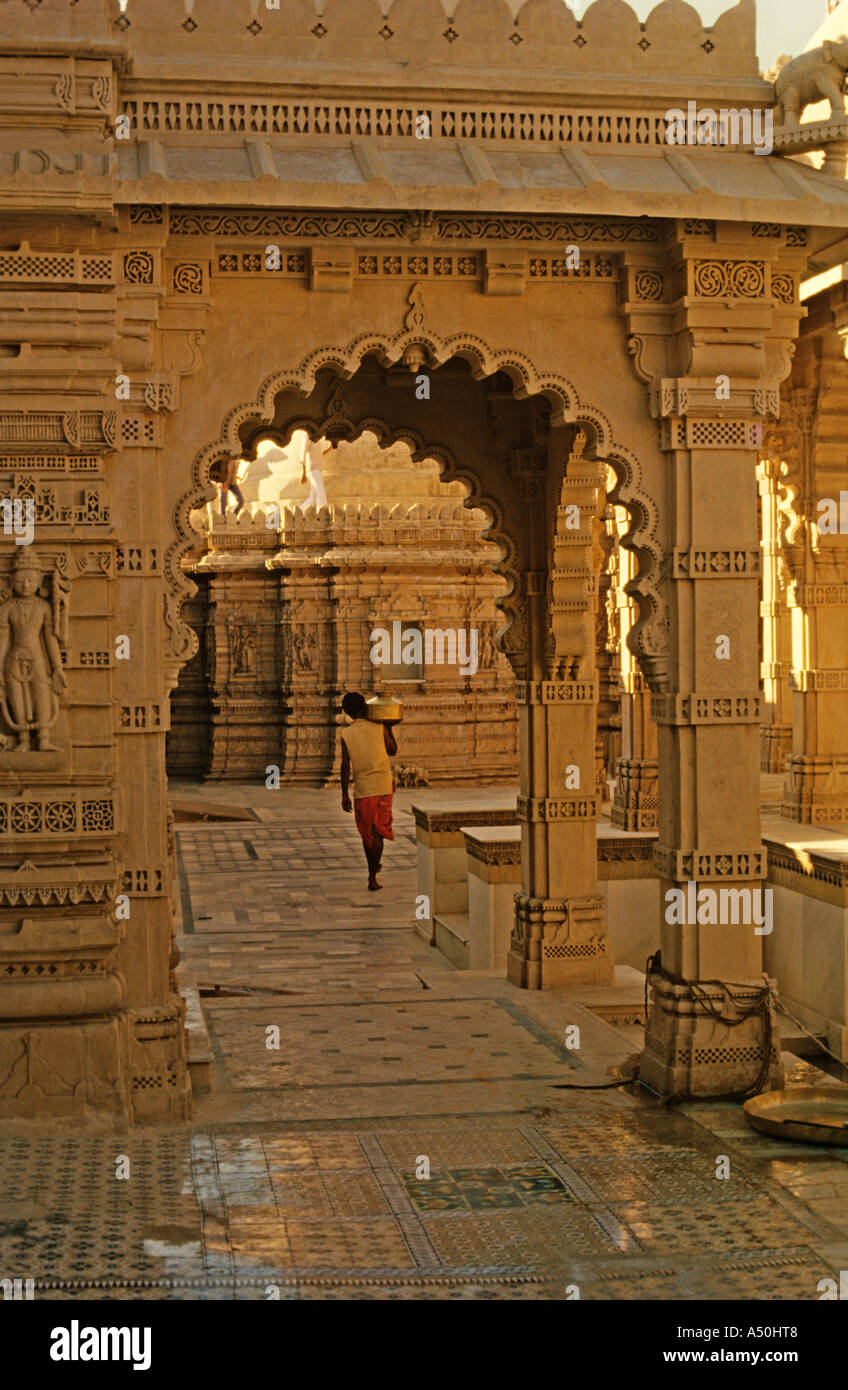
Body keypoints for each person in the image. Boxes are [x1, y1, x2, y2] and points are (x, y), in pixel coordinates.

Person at [340, 691, 397, 891]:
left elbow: (345, 765)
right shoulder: (380, 726)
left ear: (347, 712)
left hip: (363, 788)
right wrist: (389, 729)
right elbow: (392, 750)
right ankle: (373, 873)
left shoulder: (346, 734)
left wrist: (344, 794)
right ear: (364, 707)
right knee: (378, 832)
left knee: (367, 834)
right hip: (383, 784)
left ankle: (371, 872)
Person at [299, 435, 331, 510]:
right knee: (321, 493)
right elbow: (302, 455)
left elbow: (318, 456)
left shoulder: (317, 439)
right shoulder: (307, 437)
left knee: (313, 497)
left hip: (317, 470)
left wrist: (329, 449)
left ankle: (299, 512)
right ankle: (322, 513)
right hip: (312, 469)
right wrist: (303, 473)